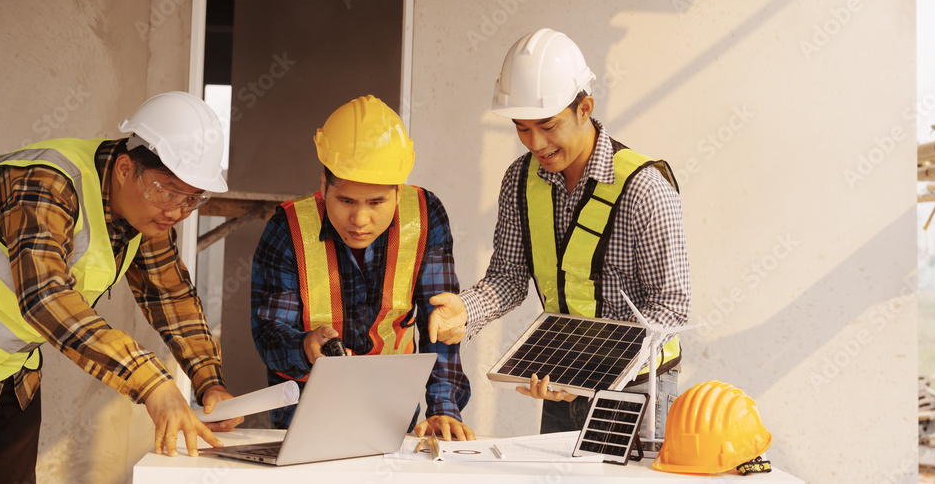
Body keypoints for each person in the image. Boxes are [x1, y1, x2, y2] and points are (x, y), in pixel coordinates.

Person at [0, 91, 244, 483]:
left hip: (10, 370)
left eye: (192, 199)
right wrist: (150, 379)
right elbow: (44, 297)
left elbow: (169, 295)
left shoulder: (147, 210)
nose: (177, 211)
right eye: (169, 191)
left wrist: (209, 381)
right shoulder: (43, 185)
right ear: (126, 168)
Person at [428, 28, 691, 439]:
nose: (535, 143)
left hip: (638, 391)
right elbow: (508, 277)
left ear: (584, 108)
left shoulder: (644, 188)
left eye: (548, 126)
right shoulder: (520, 180)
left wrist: (594, 371)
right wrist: (467, 310)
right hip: (561, 390)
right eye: (522, 128)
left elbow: (672, 306)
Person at [251, 95, 474, 441]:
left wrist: (443, 407)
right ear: (325, 185)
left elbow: (439, 324)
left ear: (398, 192)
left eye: (376, 202)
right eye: (345, 201)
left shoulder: (427, 218)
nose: (359, 219)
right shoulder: (288, 228)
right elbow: (269, 333)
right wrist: (305, 346)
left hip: (393, 411)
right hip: (305, 417)